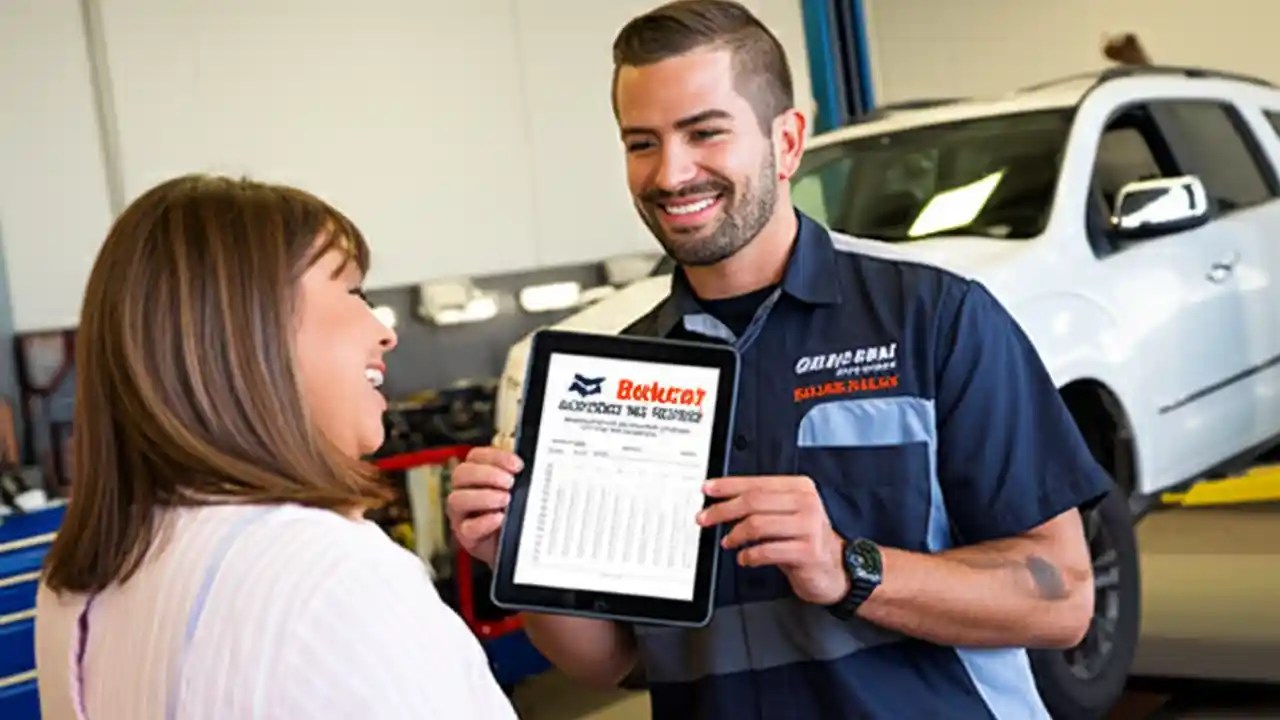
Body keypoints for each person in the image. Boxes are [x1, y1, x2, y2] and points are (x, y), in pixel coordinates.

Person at [447, 1, 1113, 719]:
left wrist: (847, 566)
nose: (670, 174)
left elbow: (1063, 599)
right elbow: (621, 659)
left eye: (705, 132)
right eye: (642, 143)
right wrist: (513, 554)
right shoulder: (621, 375)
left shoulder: (936, 319)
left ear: (788, 141)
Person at [35, 175, 517, 719]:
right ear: (251, 331)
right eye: (354, 293)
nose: (385, 333)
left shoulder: (76, 582)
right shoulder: (335, 578)